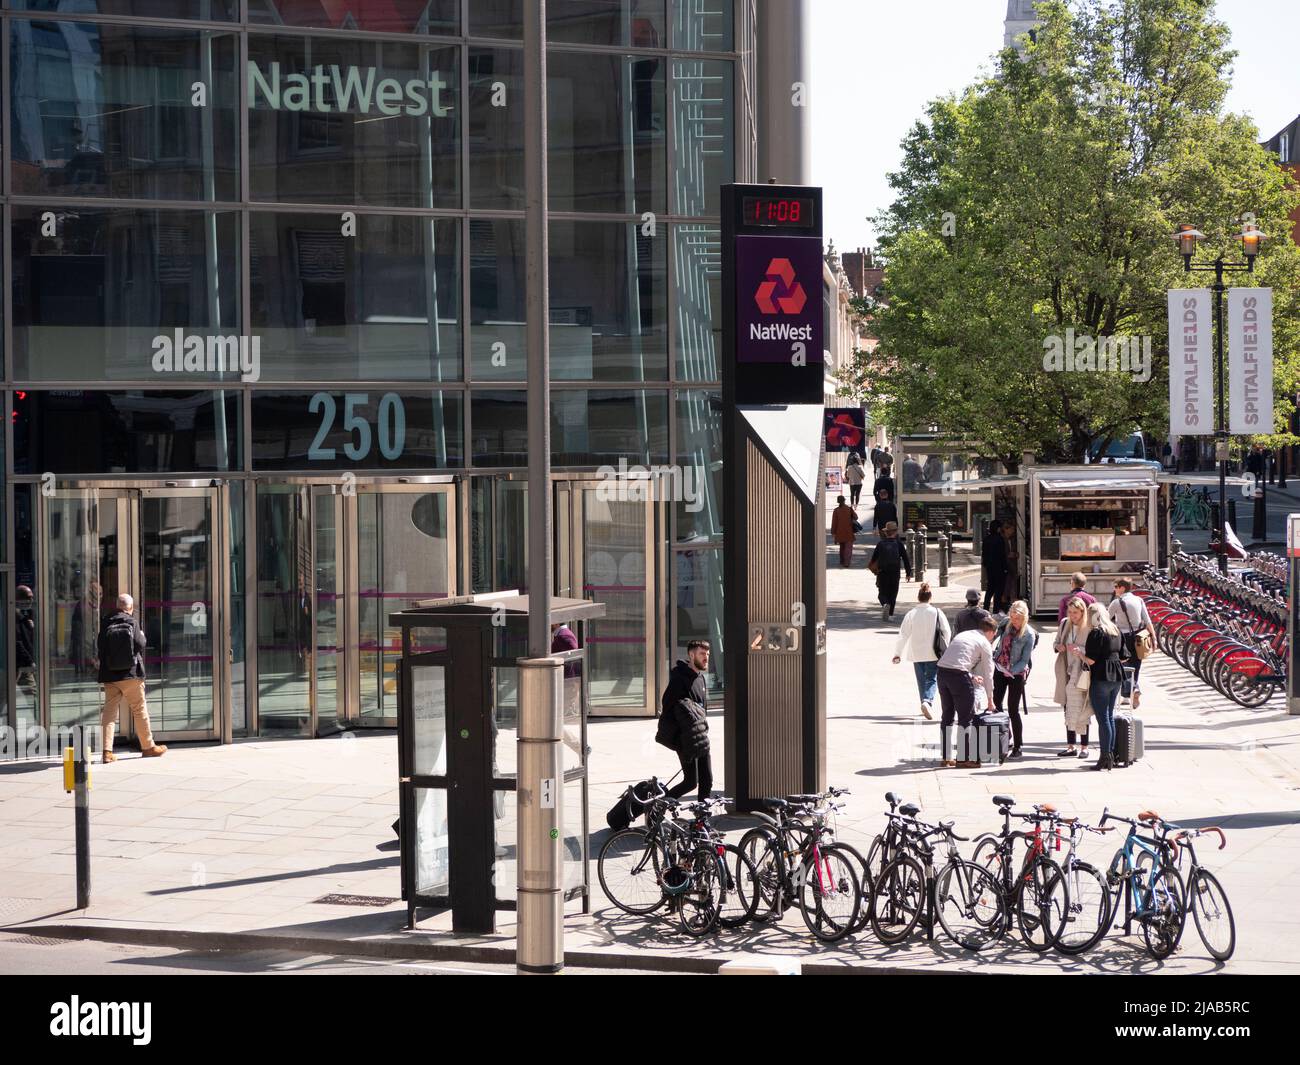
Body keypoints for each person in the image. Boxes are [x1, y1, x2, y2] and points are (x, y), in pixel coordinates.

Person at [98, 593, 166, 763]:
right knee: (139, 709)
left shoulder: (106, 622)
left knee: (109, 713)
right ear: (130, 607)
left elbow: (100, 647)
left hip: (110, 675)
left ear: (116, 606)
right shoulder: (131, 622)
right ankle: (148, 747)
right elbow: (141, 643)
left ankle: (107, 752)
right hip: (131, 675)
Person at [935, 614, 998, 768]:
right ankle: (963, 758)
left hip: (942, 672)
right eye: (994, 636)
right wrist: (990, 699)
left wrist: (970, 676)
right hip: (959, 677)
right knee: (965, 718)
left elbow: (954, 660)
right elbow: (989, 674)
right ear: (991, 632)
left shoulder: (964, 635)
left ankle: (946, 756)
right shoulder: (984, 643)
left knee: (947, 716)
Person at [656, 640, 712, 800]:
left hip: (700, 736)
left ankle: (702, 820)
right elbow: (667, 708)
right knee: (690, 782)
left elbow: (702, 711)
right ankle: (659, 806)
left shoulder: (700, 678)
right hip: (685, 739)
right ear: (691, 654)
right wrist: (678, 736)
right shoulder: (679, 679)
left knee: (707, 779)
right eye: (702, 654)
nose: (706, 658)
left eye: (707, 654)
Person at [1073, 602, 1124, 771]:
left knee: (1103, 719)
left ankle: (1104, 756)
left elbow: (1091, 660)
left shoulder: (1096, 633)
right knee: (1109, 717)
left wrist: (1079, 654)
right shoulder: (1115, 630)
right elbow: (1124, 657)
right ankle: (1109, 756)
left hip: (1101, 677)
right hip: (1116, 676)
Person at [892, 582, 951, 720]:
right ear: (930, 597)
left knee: (921, 680)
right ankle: (927, 701)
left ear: (918, 598)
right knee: (931, 679)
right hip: (934, 652)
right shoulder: (937, 612)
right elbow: (946, 631)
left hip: (916, 653)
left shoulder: (911, 614)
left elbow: (903, 635)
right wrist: (947, 648)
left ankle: (923, 703)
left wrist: (897, 654)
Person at [991, 601, 1035, 758]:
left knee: (1013, 709)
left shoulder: (1029, 634)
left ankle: (1018, 746)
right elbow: (994, 637)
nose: (1014, 621)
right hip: (1000, 667)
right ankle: (1005, 736)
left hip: (1015, 673)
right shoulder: (1005, 623)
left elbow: (1024, 660)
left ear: (1024, 618)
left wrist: (1012, 671)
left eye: (1017, 618)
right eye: (1012, 617)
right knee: (996, 704)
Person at [1053, 596, 1092, 758]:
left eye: (1075, 612)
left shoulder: (1089, 627)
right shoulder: (1064, 624)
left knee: (1083, 708)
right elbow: (1055, 643)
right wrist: (1059, 647)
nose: (1072, 615)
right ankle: (1071, 745)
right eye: (1070, 612)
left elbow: (1093, 650)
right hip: (1065, 670)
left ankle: (1084, 746)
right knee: (1067, 707)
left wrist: (1079, 649)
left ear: (1083, 612)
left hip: (1082, 671)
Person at [1108, 577, 1153, 709]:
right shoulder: (1139, 600)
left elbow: (1105, 618)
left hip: (1123, 637)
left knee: (1123, 666)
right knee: (1136, 665)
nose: (1114, 589)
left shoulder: (1117, 602)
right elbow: (1147, 620)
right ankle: (1134, 689)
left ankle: (1129, 693)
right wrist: (1154, 637)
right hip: (1139, 637)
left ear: (1122, 588)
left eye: (1116, 586)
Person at [868, 521, 912, 621]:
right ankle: (891, 614)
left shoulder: (880, 544)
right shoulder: (899, 544)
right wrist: (908, 573)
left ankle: (885, 604)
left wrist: (874, 567)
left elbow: (874, 559)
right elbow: (905, 559)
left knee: (882, 593)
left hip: (882, 572)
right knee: (893, 593)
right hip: (895, 572)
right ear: (895, 532)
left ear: (886, 532)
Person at [15, 585, 37, 694]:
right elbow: (18, 642)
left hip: (24, 663)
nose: (31, 600)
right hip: (20, 663)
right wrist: (29, 661)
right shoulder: (14, 617)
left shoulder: (26, 615)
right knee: (33, 692)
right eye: (28, 597)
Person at [981, 520, 1006, 612]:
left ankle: (986, 609)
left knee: (990, 589)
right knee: (998, 590)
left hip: (989, 568)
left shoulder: (986, 539)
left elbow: (984, 554)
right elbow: (1002, 555)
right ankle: (996, 610)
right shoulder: (1000, 539)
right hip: (999, 568)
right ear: (998, 528)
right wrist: (1005, 568)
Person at [831, 495, 858, 568]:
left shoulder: (836, 510)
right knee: (848, 548)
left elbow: (834, 522)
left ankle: (842, 561)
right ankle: (847, 562)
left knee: (842, 547)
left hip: (839, 532)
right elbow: (856, 517)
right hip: (848, 531)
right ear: (844, 500)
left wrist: (833, 533)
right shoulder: (849, 509)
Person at [1000, 522, 1019, 612]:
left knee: (1013, 582)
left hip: (1013, 564)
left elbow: (1015, 550)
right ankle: (1004, 601)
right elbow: (1002, 553)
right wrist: (1009, 555)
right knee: (1006, 583)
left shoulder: (1012, 539)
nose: (1013, 531)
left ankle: (1012, 600)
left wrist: (1014, 554)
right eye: (1011, 529)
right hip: (1005, 564)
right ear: (1006, 529)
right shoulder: (1002, 539)